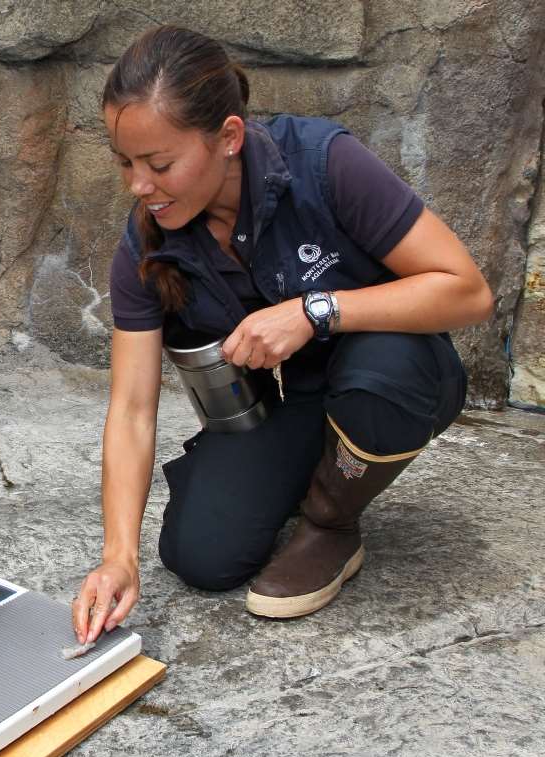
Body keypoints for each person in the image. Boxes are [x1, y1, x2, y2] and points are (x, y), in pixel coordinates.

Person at [71, 25, 494, 641]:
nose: (139, 185)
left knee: (381, 373)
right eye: (126, 163)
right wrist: (119, 557)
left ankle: (330, 522)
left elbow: (467, 290)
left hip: (399, 371)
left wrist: (313, 311)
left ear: (229, 139)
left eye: (159, 164)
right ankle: (315, 469)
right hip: (296, 404)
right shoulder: (147, 244)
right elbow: (132, 409)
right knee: (202, 557)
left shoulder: (324, 163)